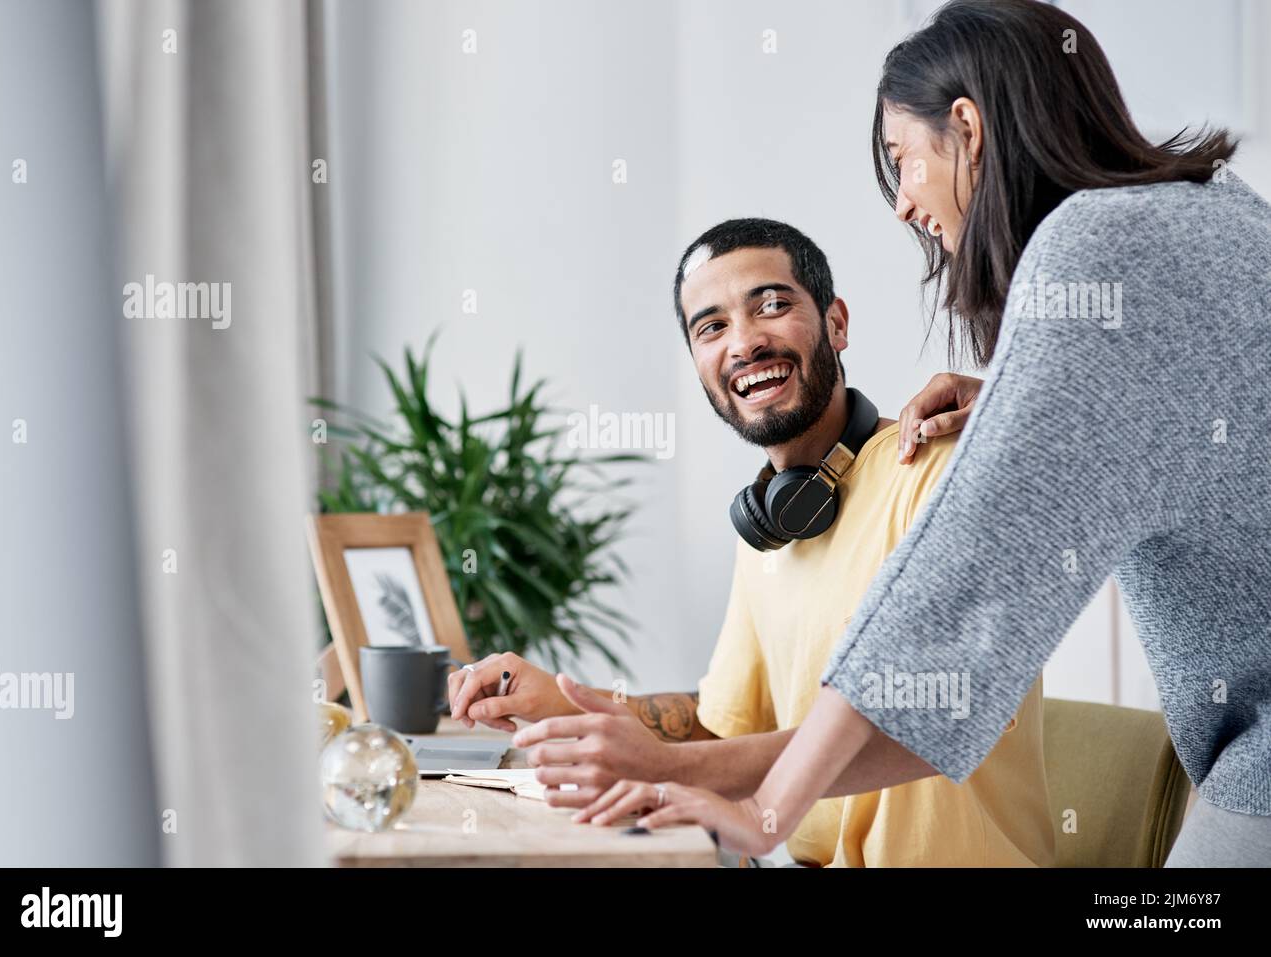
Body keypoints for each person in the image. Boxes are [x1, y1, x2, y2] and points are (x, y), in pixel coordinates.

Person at [583, 0, 1271, 867]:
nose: (904, 204)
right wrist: (1027, 398)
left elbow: (959, 584)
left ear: (968, 128)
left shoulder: (1091, 247)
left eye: (902, 160)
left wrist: (766, 809)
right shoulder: (1214, 206)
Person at [450, 218, 1052, 866]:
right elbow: (720, 726)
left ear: (837, 324)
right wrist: (571, 707)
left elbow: (944, 722)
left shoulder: (932, 469)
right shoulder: (770, 527)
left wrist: (672, 767)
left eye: (772, 305)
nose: (745, 343)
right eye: (711, 327)